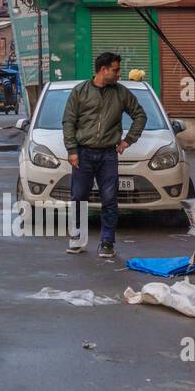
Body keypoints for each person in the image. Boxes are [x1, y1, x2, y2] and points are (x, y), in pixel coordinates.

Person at [61, 51, 147, 259]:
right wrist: (72, 150)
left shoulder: (121, 93)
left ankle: (107, 242)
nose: (119, 74)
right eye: (116, 70)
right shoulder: (80, 91)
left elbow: (140, 115)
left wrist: (128, 140)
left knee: (110, 199)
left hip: (108, 155)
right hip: (82, 154)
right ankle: (77, 239)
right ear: (103, 70)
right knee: (79, 197)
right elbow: (68, 122)